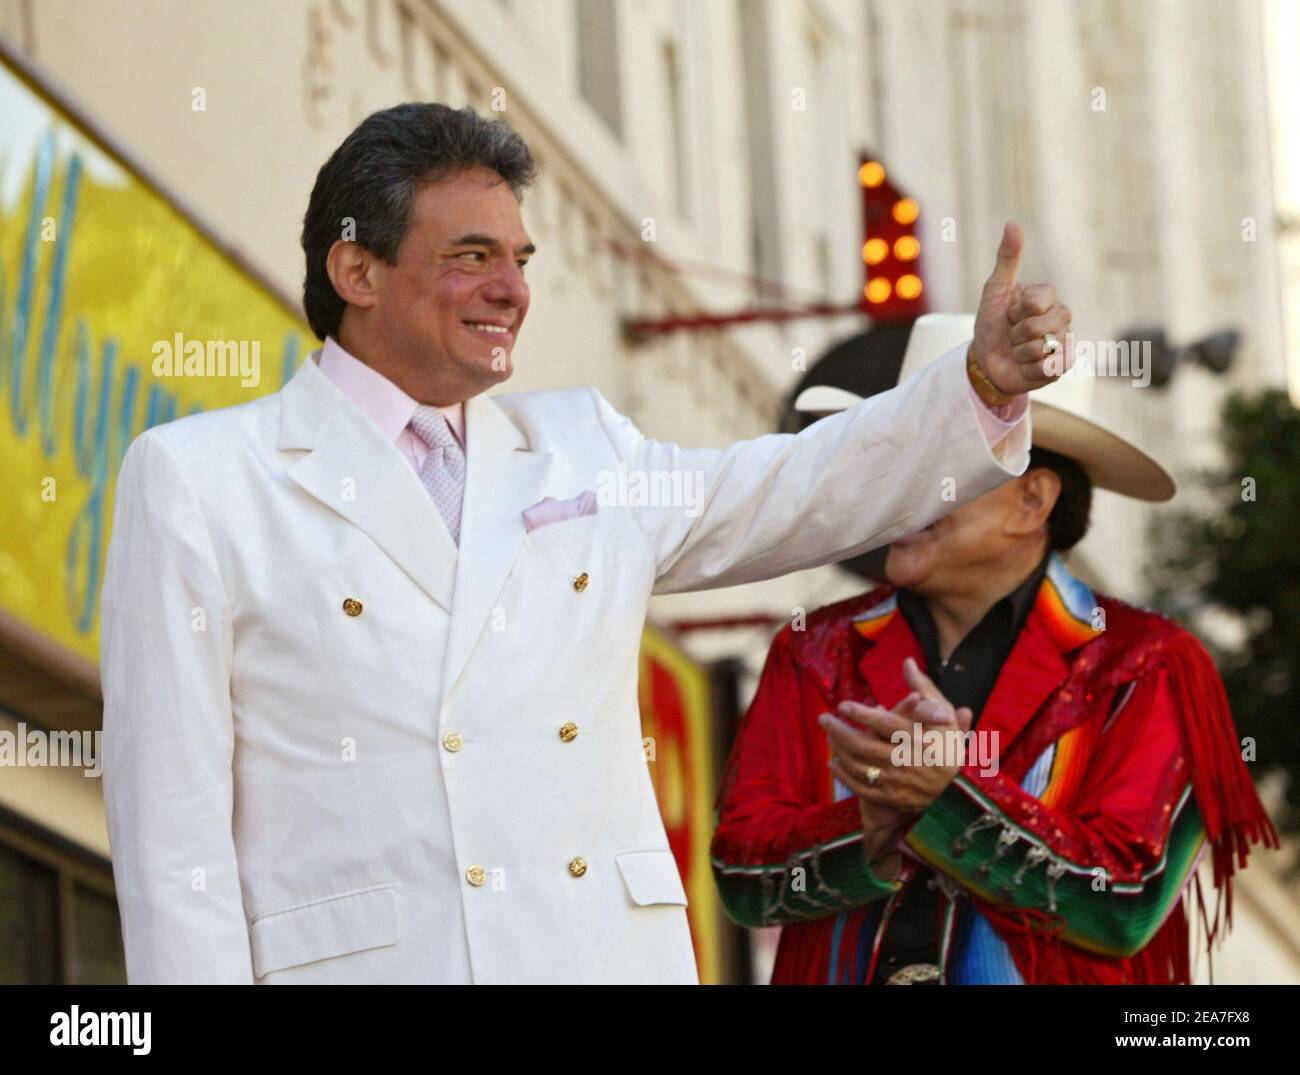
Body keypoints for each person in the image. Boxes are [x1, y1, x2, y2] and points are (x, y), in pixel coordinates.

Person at [100, 103, 1070, 983]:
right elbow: (170, 832)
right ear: (355, 268)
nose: (510, 289)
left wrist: (973, 387)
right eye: (471, 255)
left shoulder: (583, 444)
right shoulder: (202, 475)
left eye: (520, 260)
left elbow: (792, 489)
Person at [711, 314, 1277, 984]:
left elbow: (1126, 899)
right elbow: (742, 880)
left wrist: (948, 798)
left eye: (937, 462)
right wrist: (872, 820)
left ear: (1031, 500)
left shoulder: (1148, 664)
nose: (898, 490)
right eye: (892, 461)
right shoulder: (811, 650)